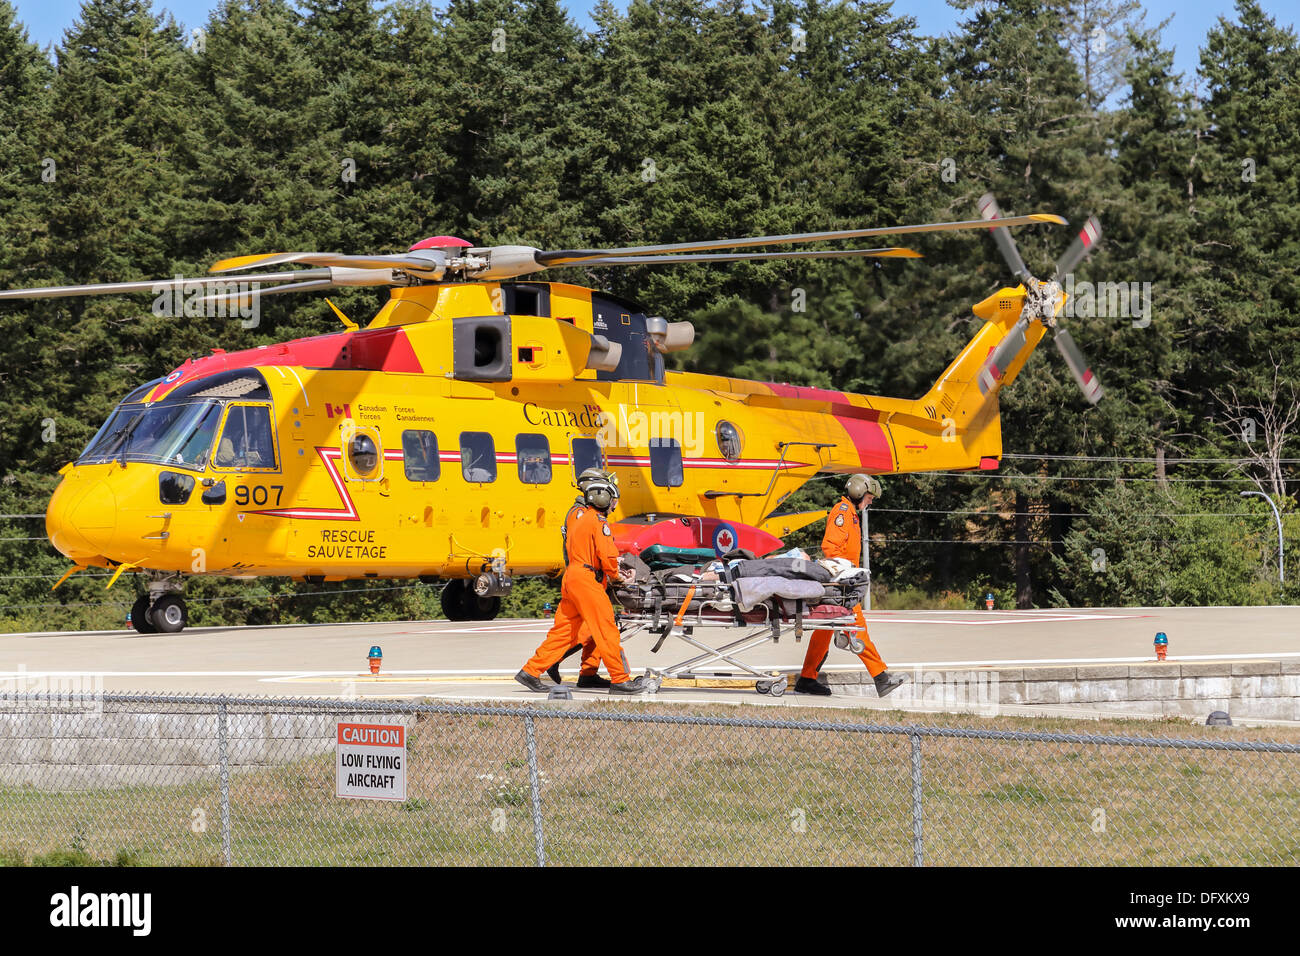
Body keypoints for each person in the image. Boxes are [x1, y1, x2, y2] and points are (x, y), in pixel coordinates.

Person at [516, 471, 648, 695]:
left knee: (565, 631)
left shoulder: (578, 516)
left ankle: (531, 671)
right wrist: (616, 575)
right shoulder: (598, 521)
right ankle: (620, 679)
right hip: (588, 580)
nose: (614, 505)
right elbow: (607, 556)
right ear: (602, 497)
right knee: (606, 629)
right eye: (612, 499)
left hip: (574, 577)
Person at [794, 473, 906, 698]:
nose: (870, 502)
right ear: (858, 492)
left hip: (843, 583)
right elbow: (830, 548)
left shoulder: (851, 515)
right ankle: (881, 677)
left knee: (824, 631)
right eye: (869, 498)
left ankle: (807, 679)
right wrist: (844, 573)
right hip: (841, 586)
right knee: (857, 628)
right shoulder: (843, 513)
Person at [543, 469, 613, 689]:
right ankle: (553, 660)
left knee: (592, 629)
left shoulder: (583, 512)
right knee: (589, 629)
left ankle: (589, 672)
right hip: (584, 579)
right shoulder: (581, 514)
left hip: (587, 577)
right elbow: (585, 547)